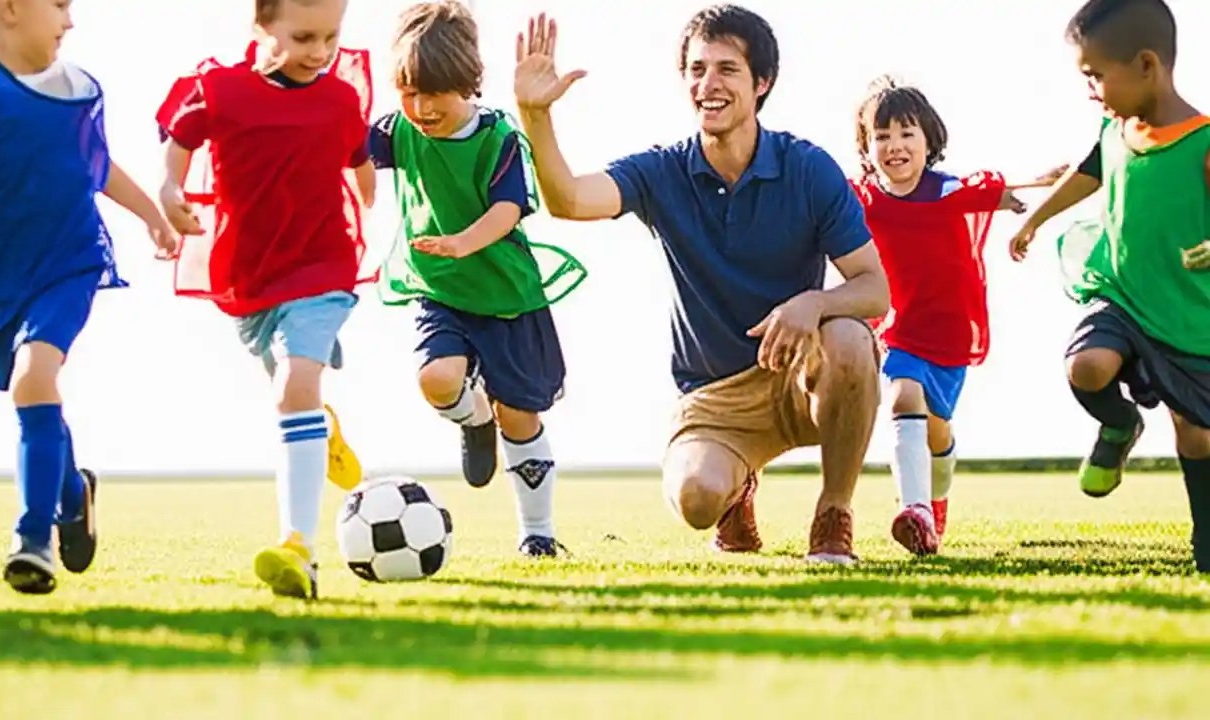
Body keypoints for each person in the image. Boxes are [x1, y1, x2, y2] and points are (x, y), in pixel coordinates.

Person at [513, 5, 889, 563]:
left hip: (799, 377)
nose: (707, 84)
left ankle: (833, 515)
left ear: (762, 83)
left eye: (727, 69)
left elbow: (873, 289)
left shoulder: (808, 169)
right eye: (696, 68)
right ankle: (736, 491)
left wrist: (813, 302)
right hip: (714, 397)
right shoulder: (662, 171)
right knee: (695, 499)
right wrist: (534, 115)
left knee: (853, 340)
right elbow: (568, 200)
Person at [0, 0, 178, 594]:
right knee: (29, 392)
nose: (71, 19)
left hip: (69, 263)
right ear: (11, 9)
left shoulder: (79, 90)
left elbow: (97, 165)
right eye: (60, 5)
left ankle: (32, 537)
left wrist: (151, 216)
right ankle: (72, 493)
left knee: (33, 379)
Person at [155, 0, 375, 598]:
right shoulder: (222, 91)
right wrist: (170, 189)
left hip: (325, 266)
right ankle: (321, 429)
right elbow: (179, 136)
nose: (319, 51)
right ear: (261, 27)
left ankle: (297, 546)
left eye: (331, 36)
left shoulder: (339, 99)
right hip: (250, 277)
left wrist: (369, 194)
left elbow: (360, 160)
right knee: (291, 394)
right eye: (303, 36)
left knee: (292, 390)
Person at [370, 0, 587, 558]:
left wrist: (464, 242)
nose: (420, 108)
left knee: (522, 414)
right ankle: (473, 417)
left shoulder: (497, 137)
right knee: (437, 378)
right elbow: (344, 151)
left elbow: (509, 208)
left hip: (505, 293)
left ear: (467, 83)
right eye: (408, 92)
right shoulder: (398, 130)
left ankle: (537, 533)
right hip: (437, 289)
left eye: (433, 93)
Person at [1010, 0, 1210, 572]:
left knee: (1196, 436)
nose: (1091, 88)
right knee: (1087, 367)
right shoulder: (1116, 127)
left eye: (1096, 75)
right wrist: (1035, 218)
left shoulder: (1202, 142)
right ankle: (1120, 423)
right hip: (1120, 291)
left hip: (1189, 314)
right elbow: (1090, 172)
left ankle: (1207, 541)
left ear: (1147, 65)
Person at [852, 75, 1064, 554]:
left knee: (937, 428)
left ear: (929, 140)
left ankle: (936, 496)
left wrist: (1027, 190)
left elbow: (987, 190)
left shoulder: (946, 191)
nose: (894, 146)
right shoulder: (864, 200)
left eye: (906, 134)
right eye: (881, 136)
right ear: (866, 147)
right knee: (903, 398)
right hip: (899, 331)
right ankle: (917, 511)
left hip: (949, 335)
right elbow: (820, 198)